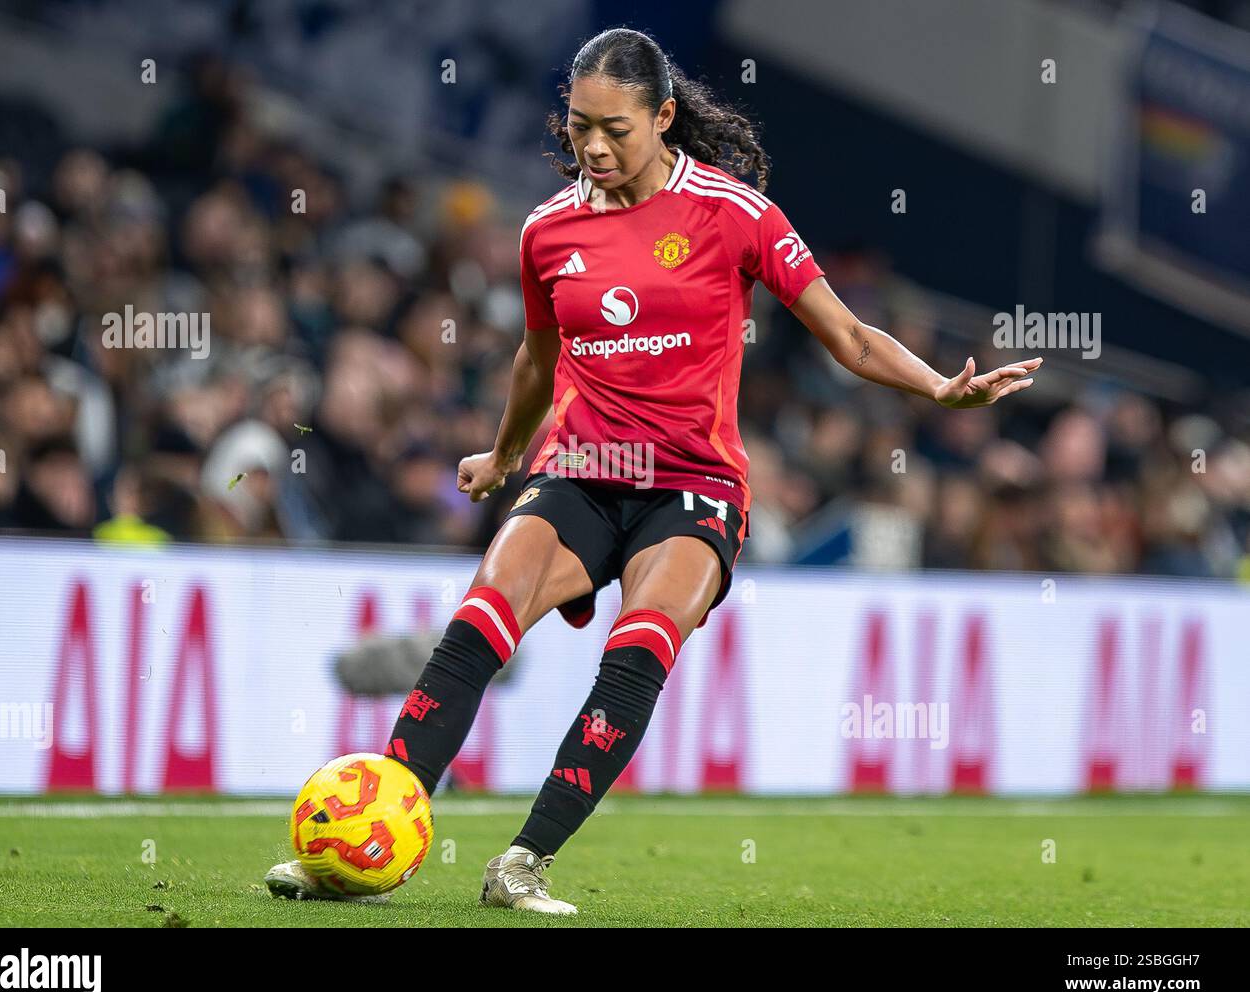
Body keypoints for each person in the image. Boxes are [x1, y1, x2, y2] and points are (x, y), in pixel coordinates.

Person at [265, 26, 1040, 914]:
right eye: (577, 125)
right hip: (584, 468)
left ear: (663, 116)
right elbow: (535, 355)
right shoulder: (547, 231)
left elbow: (850, 336)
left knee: (636, 649)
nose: (593, 146)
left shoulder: (736, 213)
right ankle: (363, 842)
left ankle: (522, 862)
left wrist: (940, 389)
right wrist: (506, 453)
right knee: (481, 616)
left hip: (693, 486)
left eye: (615, 128)